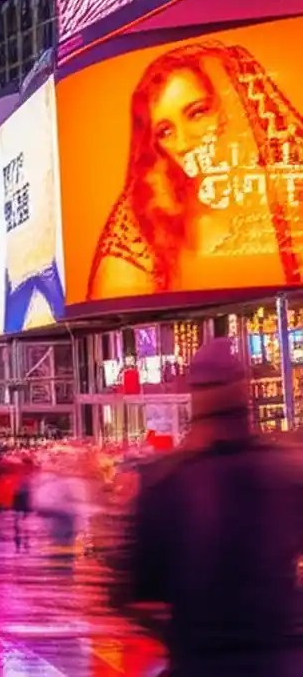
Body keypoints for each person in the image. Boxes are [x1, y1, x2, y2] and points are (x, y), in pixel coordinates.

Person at [129, 338, 303, 675]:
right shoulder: (287, 473)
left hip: (201, 660)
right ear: (245, 395)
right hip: (282, 659)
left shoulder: (164, 484)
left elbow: (141, 599)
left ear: (194, 399)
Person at [88, 43, 303, 300]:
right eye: (165, 132)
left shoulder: (292, 198)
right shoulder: (143, 239)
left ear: (237, 105)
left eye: (198, 113)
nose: (183, 143)